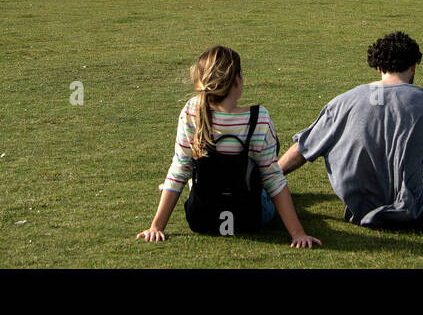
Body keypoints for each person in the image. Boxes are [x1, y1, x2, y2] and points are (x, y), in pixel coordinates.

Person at [278, 31, 423, 228]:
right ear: (413, 66)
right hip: (405, 204)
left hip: (359, 204)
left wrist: (270, 178)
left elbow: (302, 149)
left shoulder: (344, 101)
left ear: (378, 67)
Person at [137, 45, 321, 248]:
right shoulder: (259, 118)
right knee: (266, 183)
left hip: (202, 216)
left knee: (193, 171)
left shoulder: (191, 111)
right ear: (236, 80)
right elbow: (273, 179)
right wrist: (297, 233)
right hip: (252, 217)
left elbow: (179, 171)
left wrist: (157, 226)